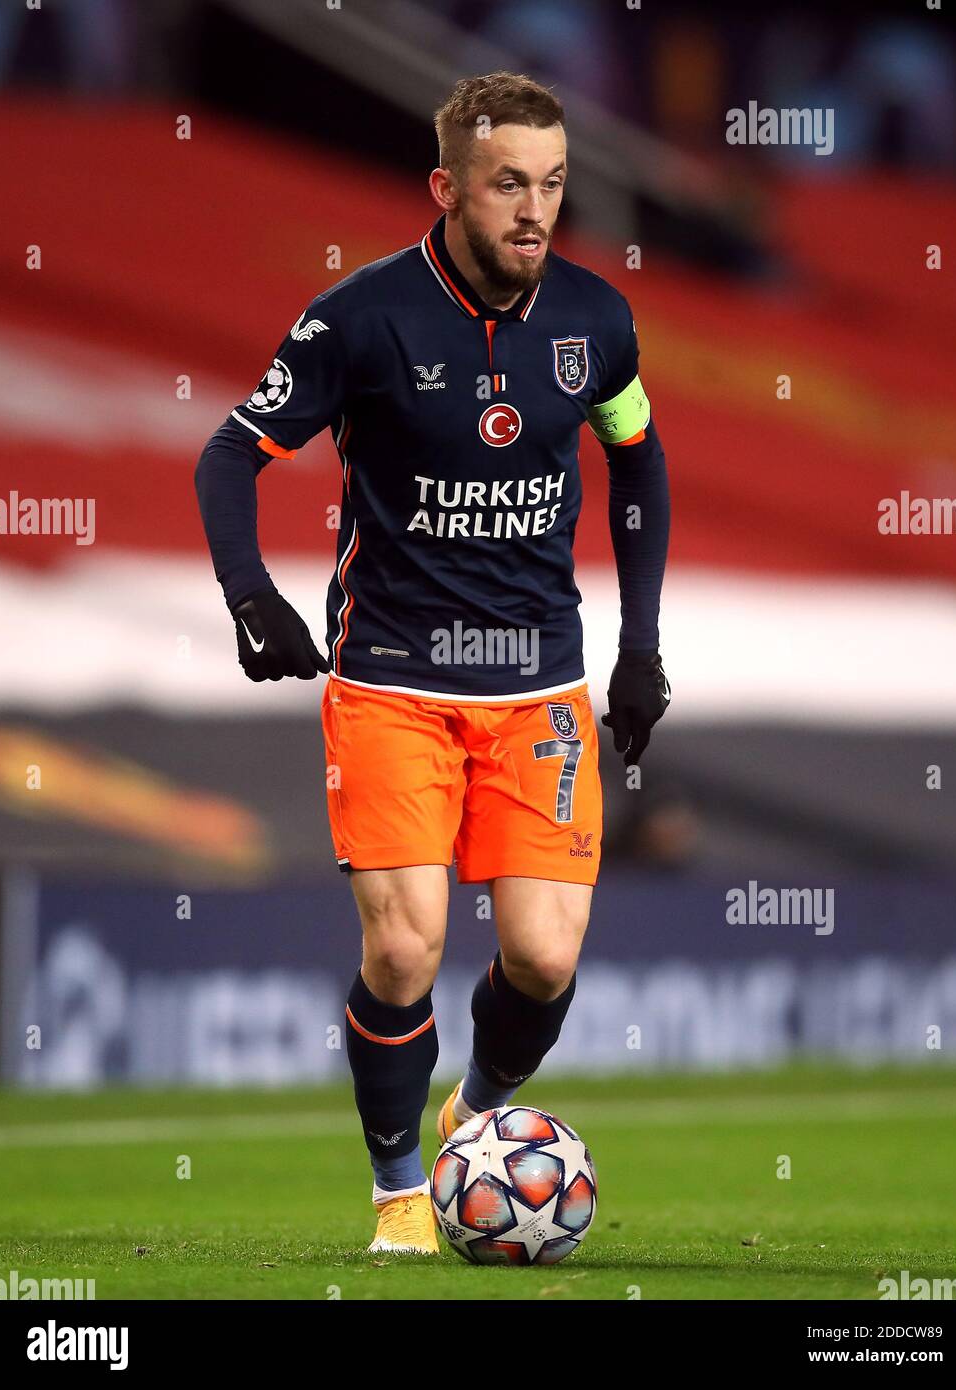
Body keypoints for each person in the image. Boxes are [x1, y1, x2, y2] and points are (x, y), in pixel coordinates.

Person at [195, 71, 670, 1256]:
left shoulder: (594, 322)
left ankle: (474, 1114)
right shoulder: (358, 318)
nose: (534, 209)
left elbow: (641, 463)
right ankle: (399, 1191)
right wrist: (250, 597)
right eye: (509, 182)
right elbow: (228, 454)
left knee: (542, 958)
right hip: (395, 682)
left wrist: (640, 647)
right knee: (403, 945)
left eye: (553, 183)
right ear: (447, 186)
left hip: (537, 690)